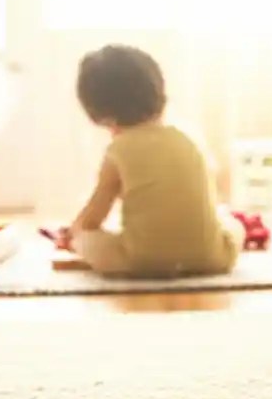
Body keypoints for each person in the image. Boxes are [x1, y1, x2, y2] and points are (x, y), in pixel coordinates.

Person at [62, 43, 240, 277]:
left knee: (87, 240)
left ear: (97, 110)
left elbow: (92, 219)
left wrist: (74, 234)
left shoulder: (119, 151)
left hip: (142, 263)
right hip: (213, 259)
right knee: (232, 223)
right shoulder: (189, 137)